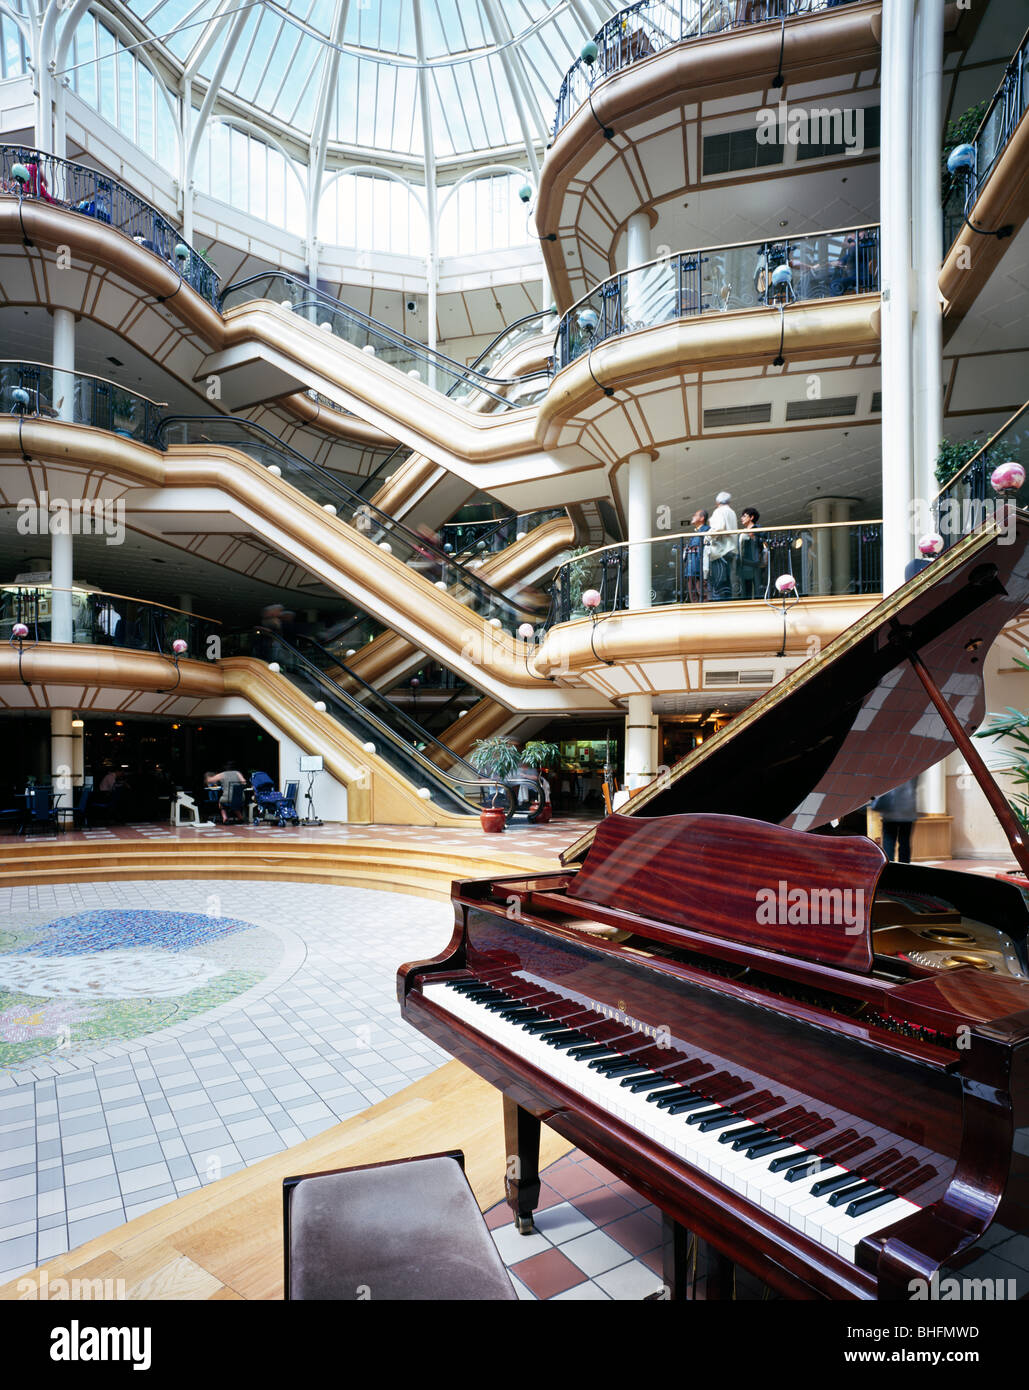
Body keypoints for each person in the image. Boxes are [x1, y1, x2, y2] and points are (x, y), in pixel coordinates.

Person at [870, 777, 920, 864]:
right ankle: (904, 867)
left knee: (889, 842)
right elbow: (915, 784)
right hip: (908, 809)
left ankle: (889, 867)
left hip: (890, 810)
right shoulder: (912, 768)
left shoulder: (891, 768)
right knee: (905, 843)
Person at [706, 491, 738, 601]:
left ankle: (720, 605)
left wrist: (708, 537)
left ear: (717, 502)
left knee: (719, 582)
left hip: (721, 551)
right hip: (732, 549)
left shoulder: (719, 511)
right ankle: (727, 603)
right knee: (728, 582)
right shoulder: (732, 512)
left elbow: (719, 527)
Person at [737, 507, 766, 599]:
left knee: (758, 587)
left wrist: (754, 537)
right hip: (745, 563)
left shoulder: (757, 529)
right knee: (745, 589)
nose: (742, 518)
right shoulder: (743, 532)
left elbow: (765, 541)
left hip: (755, 562)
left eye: (744, 516)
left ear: (751, 517)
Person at [683, 508, 709, 602]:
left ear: (702, 518)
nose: (693, 517)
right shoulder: (695, 533)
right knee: (693, 597)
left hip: (699, 569)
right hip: (691, 570)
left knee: (704, 595)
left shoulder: (706, 530)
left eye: (695, 515)